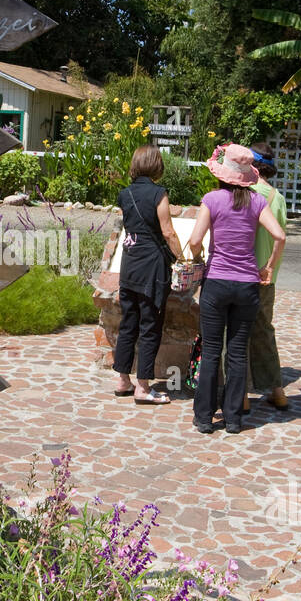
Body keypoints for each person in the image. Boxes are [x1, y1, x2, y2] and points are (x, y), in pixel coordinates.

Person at [187, 144, 286, 434]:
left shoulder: (212, 199)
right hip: (247, 285)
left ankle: (204, 417)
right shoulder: (257, 202)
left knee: (212, 349)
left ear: (221, 174)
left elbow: (195, 240)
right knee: (238, 352)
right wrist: (267, 267)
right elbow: (279, 235)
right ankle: (233, 418)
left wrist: (200, 259)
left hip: (216, 282)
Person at [113, 144, 184, 405]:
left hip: (129, 263)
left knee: (128, 323)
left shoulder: (124, 193)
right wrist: (183, 257)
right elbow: (167, 231)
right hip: (151, 268)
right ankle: (142, 387)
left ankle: (122, 380)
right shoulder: (158, 194)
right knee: (150, 325)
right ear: (156, 165)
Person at [247, 143, 289, 410]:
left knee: (235, 333)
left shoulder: (242, 193)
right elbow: (280, 238)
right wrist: (271, 266)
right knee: (264, 332)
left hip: (238, 273)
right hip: (265, 277)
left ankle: (240, 395)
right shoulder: (277, 199)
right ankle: (277, 389)